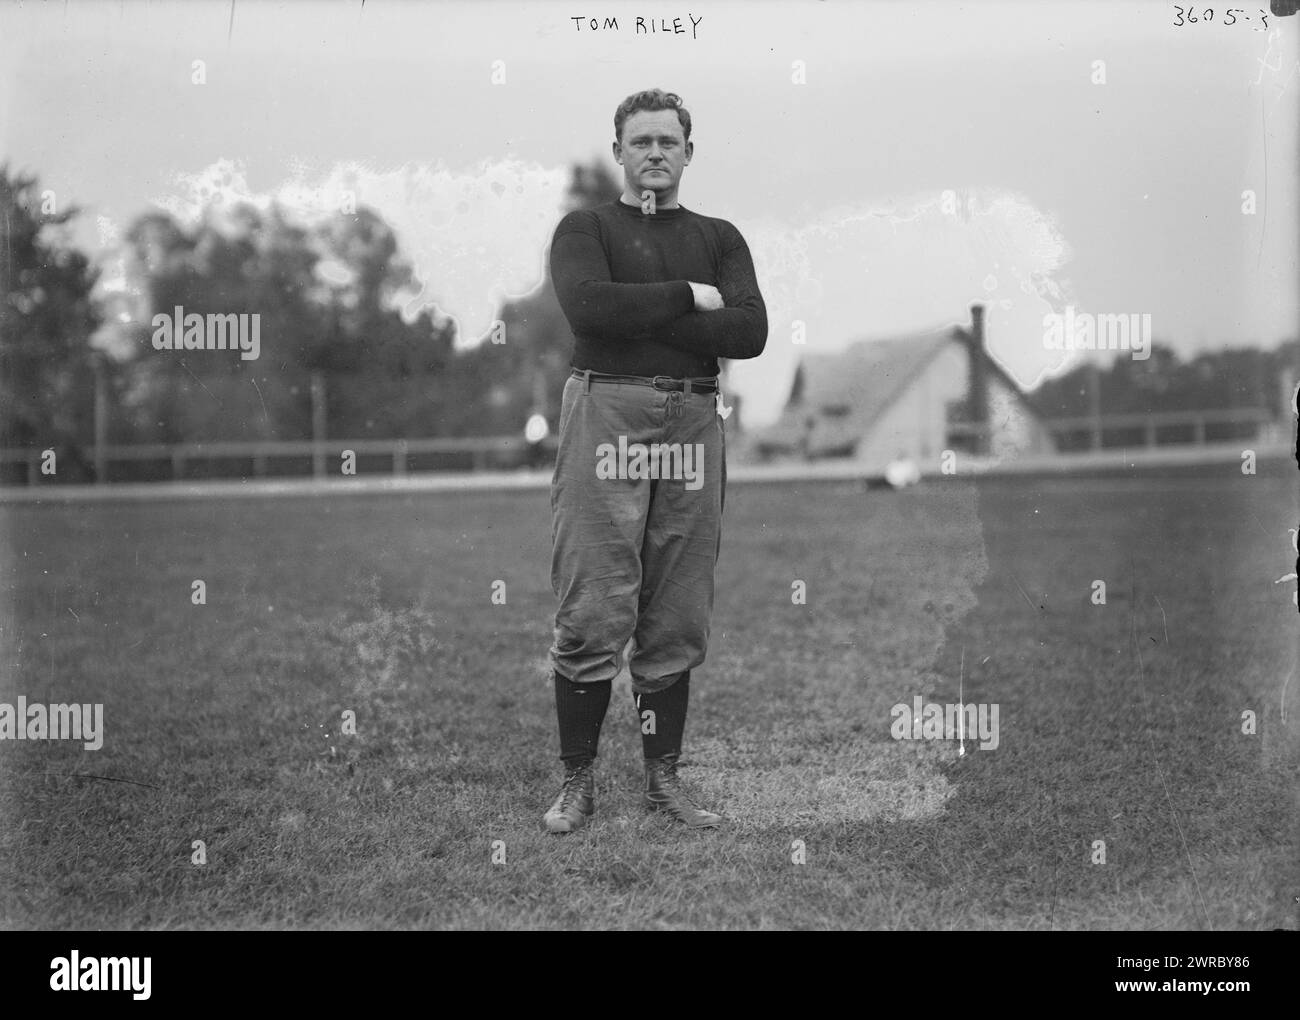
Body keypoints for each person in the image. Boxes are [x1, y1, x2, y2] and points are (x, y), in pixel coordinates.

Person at [541, 88, 768, 833]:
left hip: (692, 418)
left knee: (676, 604)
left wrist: (653, 308)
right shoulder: (587, 228)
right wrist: (688, 299)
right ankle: (578, 785)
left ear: (688, 152)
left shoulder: (720, 235)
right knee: (596, 600)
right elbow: (590, 310)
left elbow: (749, 332)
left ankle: (662, 782)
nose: (655, 153)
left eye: (668, 141)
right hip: (607, 410)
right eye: (640, 141)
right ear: (619, 152)